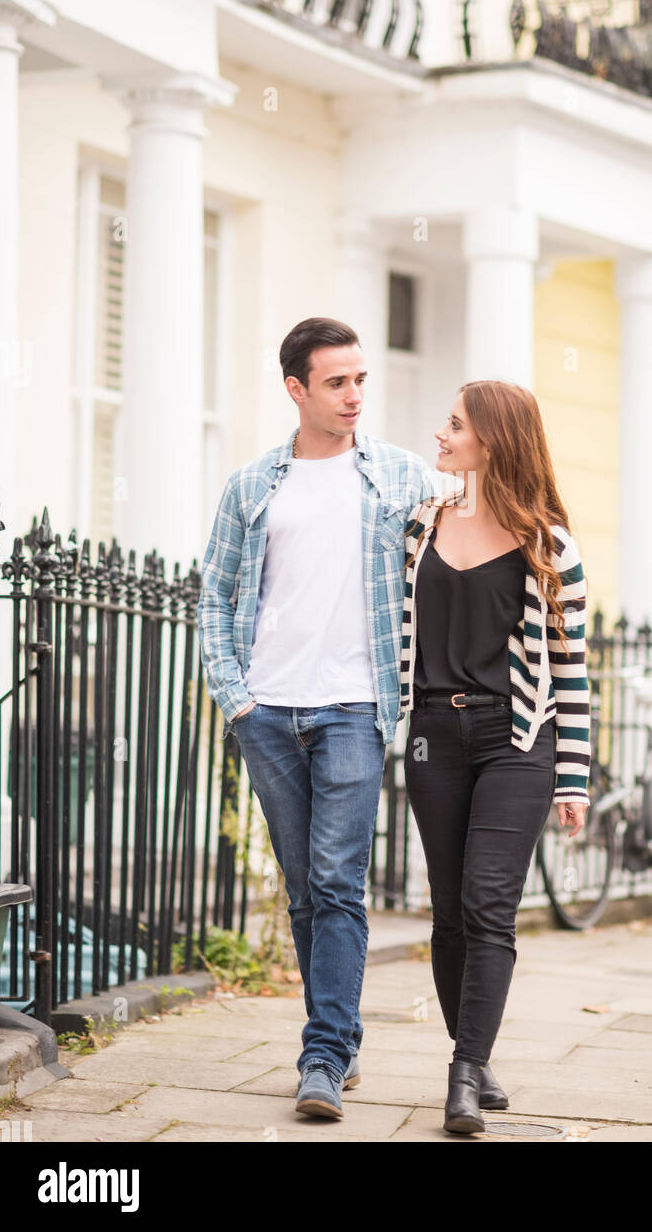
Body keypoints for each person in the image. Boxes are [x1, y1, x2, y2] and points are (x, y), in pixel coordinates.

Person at [197, 316, 443, 1121]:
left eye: (361, 379)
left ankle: (323, 1056)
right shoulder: (252, 485)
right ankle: (338, 1038)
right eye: (337, 381)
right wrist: (237, 697)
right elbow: (215, 596)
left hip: (353, 707)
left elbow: (485, 525)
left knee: (338, 880)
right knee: (305, 890)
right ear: (296, 388)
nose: (354, 395)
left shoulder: (402, 477)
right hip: (267, 708)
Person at [400, 379, 591, 1134]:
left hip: (515, 742)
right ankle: (474, 1055)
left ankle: (459, 1077)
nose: (440, 434)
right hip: (431, 736)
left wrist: (572, 775)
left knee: (488, 906)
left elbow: (572, 670)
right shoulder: (422, 523)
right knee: (447, 914)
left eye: (454, 425)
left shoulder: (549, 543)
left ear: (492, 439)